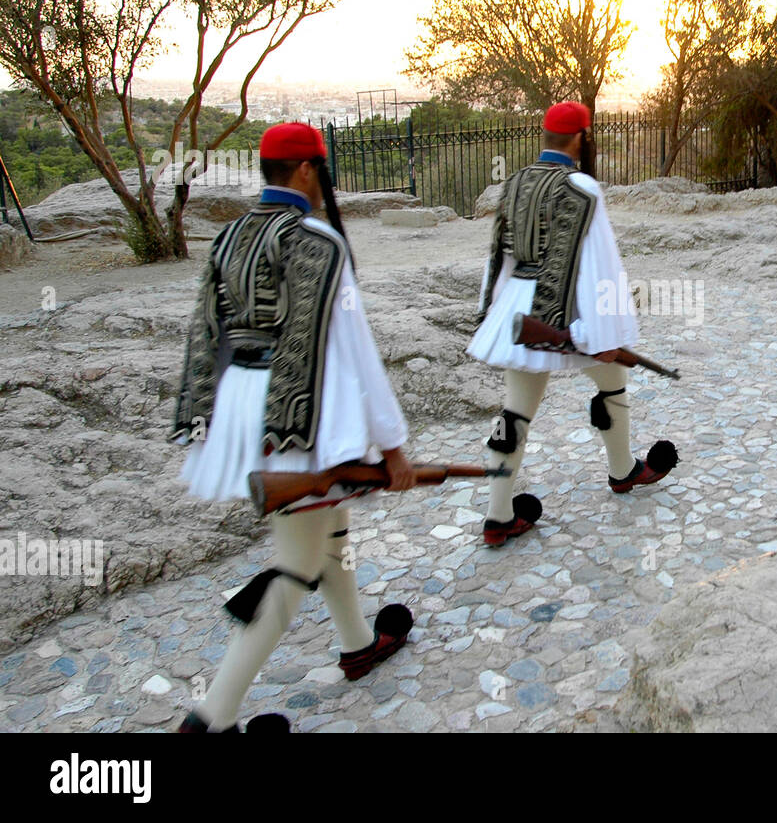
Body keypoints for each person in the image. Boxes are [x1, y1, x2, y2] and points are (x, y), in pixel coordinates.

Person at [171, 122, 417, 732]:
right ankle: (212, 716)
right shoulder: (317, 241)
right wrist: (393, 445)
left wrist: (208, 418)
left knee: (329, 526)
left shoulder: (229, 236)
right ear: (307, 170)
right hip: (298, 421)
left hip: (242, 406)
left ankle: (358, 642)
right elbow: (356, 349)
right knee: (296, 565)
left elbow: (207, 333)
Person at [467, 101, 678, 547]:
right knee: (612, 379)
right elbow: (601, 266)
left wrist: (492, 311)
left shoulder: (517, 182)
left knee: (515, 413)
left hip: (519, 308)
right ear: (580, 138)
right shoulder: (582, 187)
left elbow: (498, 256)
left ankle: (497, 515)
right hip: (571, 311)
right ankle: (622, 470)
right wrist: (605, 336)